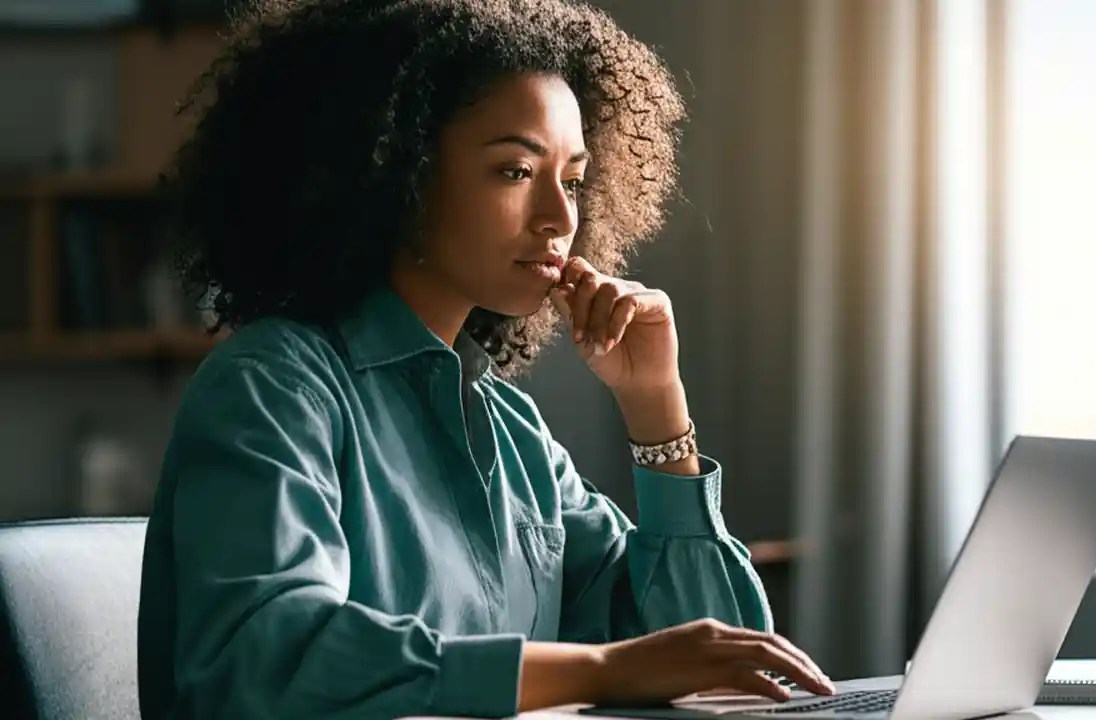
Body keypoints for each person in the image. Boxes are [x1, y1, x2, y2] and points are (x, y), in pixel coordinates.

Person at [136, 0, 834, 717]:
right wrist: (597, 670)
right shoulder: (273, 388)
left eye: (571, 179)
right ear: (390, 168)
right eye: (514, 171)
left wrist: (656, 407)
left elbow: (723, 667)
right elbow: (268, 659)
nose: (562, 220)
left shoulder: (511, 427)